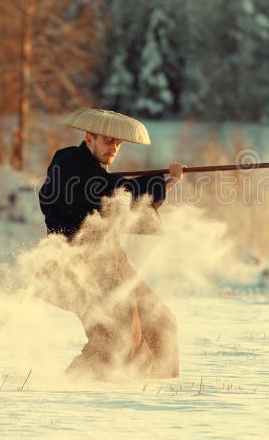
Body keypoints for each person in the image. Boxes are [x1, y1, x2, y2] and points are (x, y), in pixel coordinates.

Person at [37, 108, 185, 380]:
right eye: (108, 141)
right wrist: (165, 183)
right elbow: (110, 191)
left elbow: (122, 200)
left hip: (111, 260)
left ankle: (163, 396)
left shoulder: (94, 173)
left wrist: (168, 183)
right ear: (89, 137)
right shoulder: (68, 163)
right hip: (76, 266)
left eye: (118, 143)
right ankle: (66, 388)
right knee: (117, 338)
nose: (114, 148)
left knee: (162, 324)